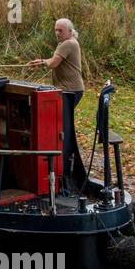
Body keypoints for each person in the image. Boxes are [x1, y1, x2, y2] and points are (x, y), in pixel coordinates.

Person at [28, 17, 87, 195]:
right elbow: (54, 61)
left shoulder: (67, 44)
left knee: (63, 127)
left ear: (70, 31)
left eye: (60, 30)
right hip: (72, 90)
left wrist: (43, 62)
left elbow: (54, 63)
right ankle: (63, 158)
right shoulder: (69, 42)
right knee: (62, 125)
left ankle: (64, 164)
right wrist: (41, 62)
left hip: (70, 91)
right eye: (56, 30)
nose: (57, 33)